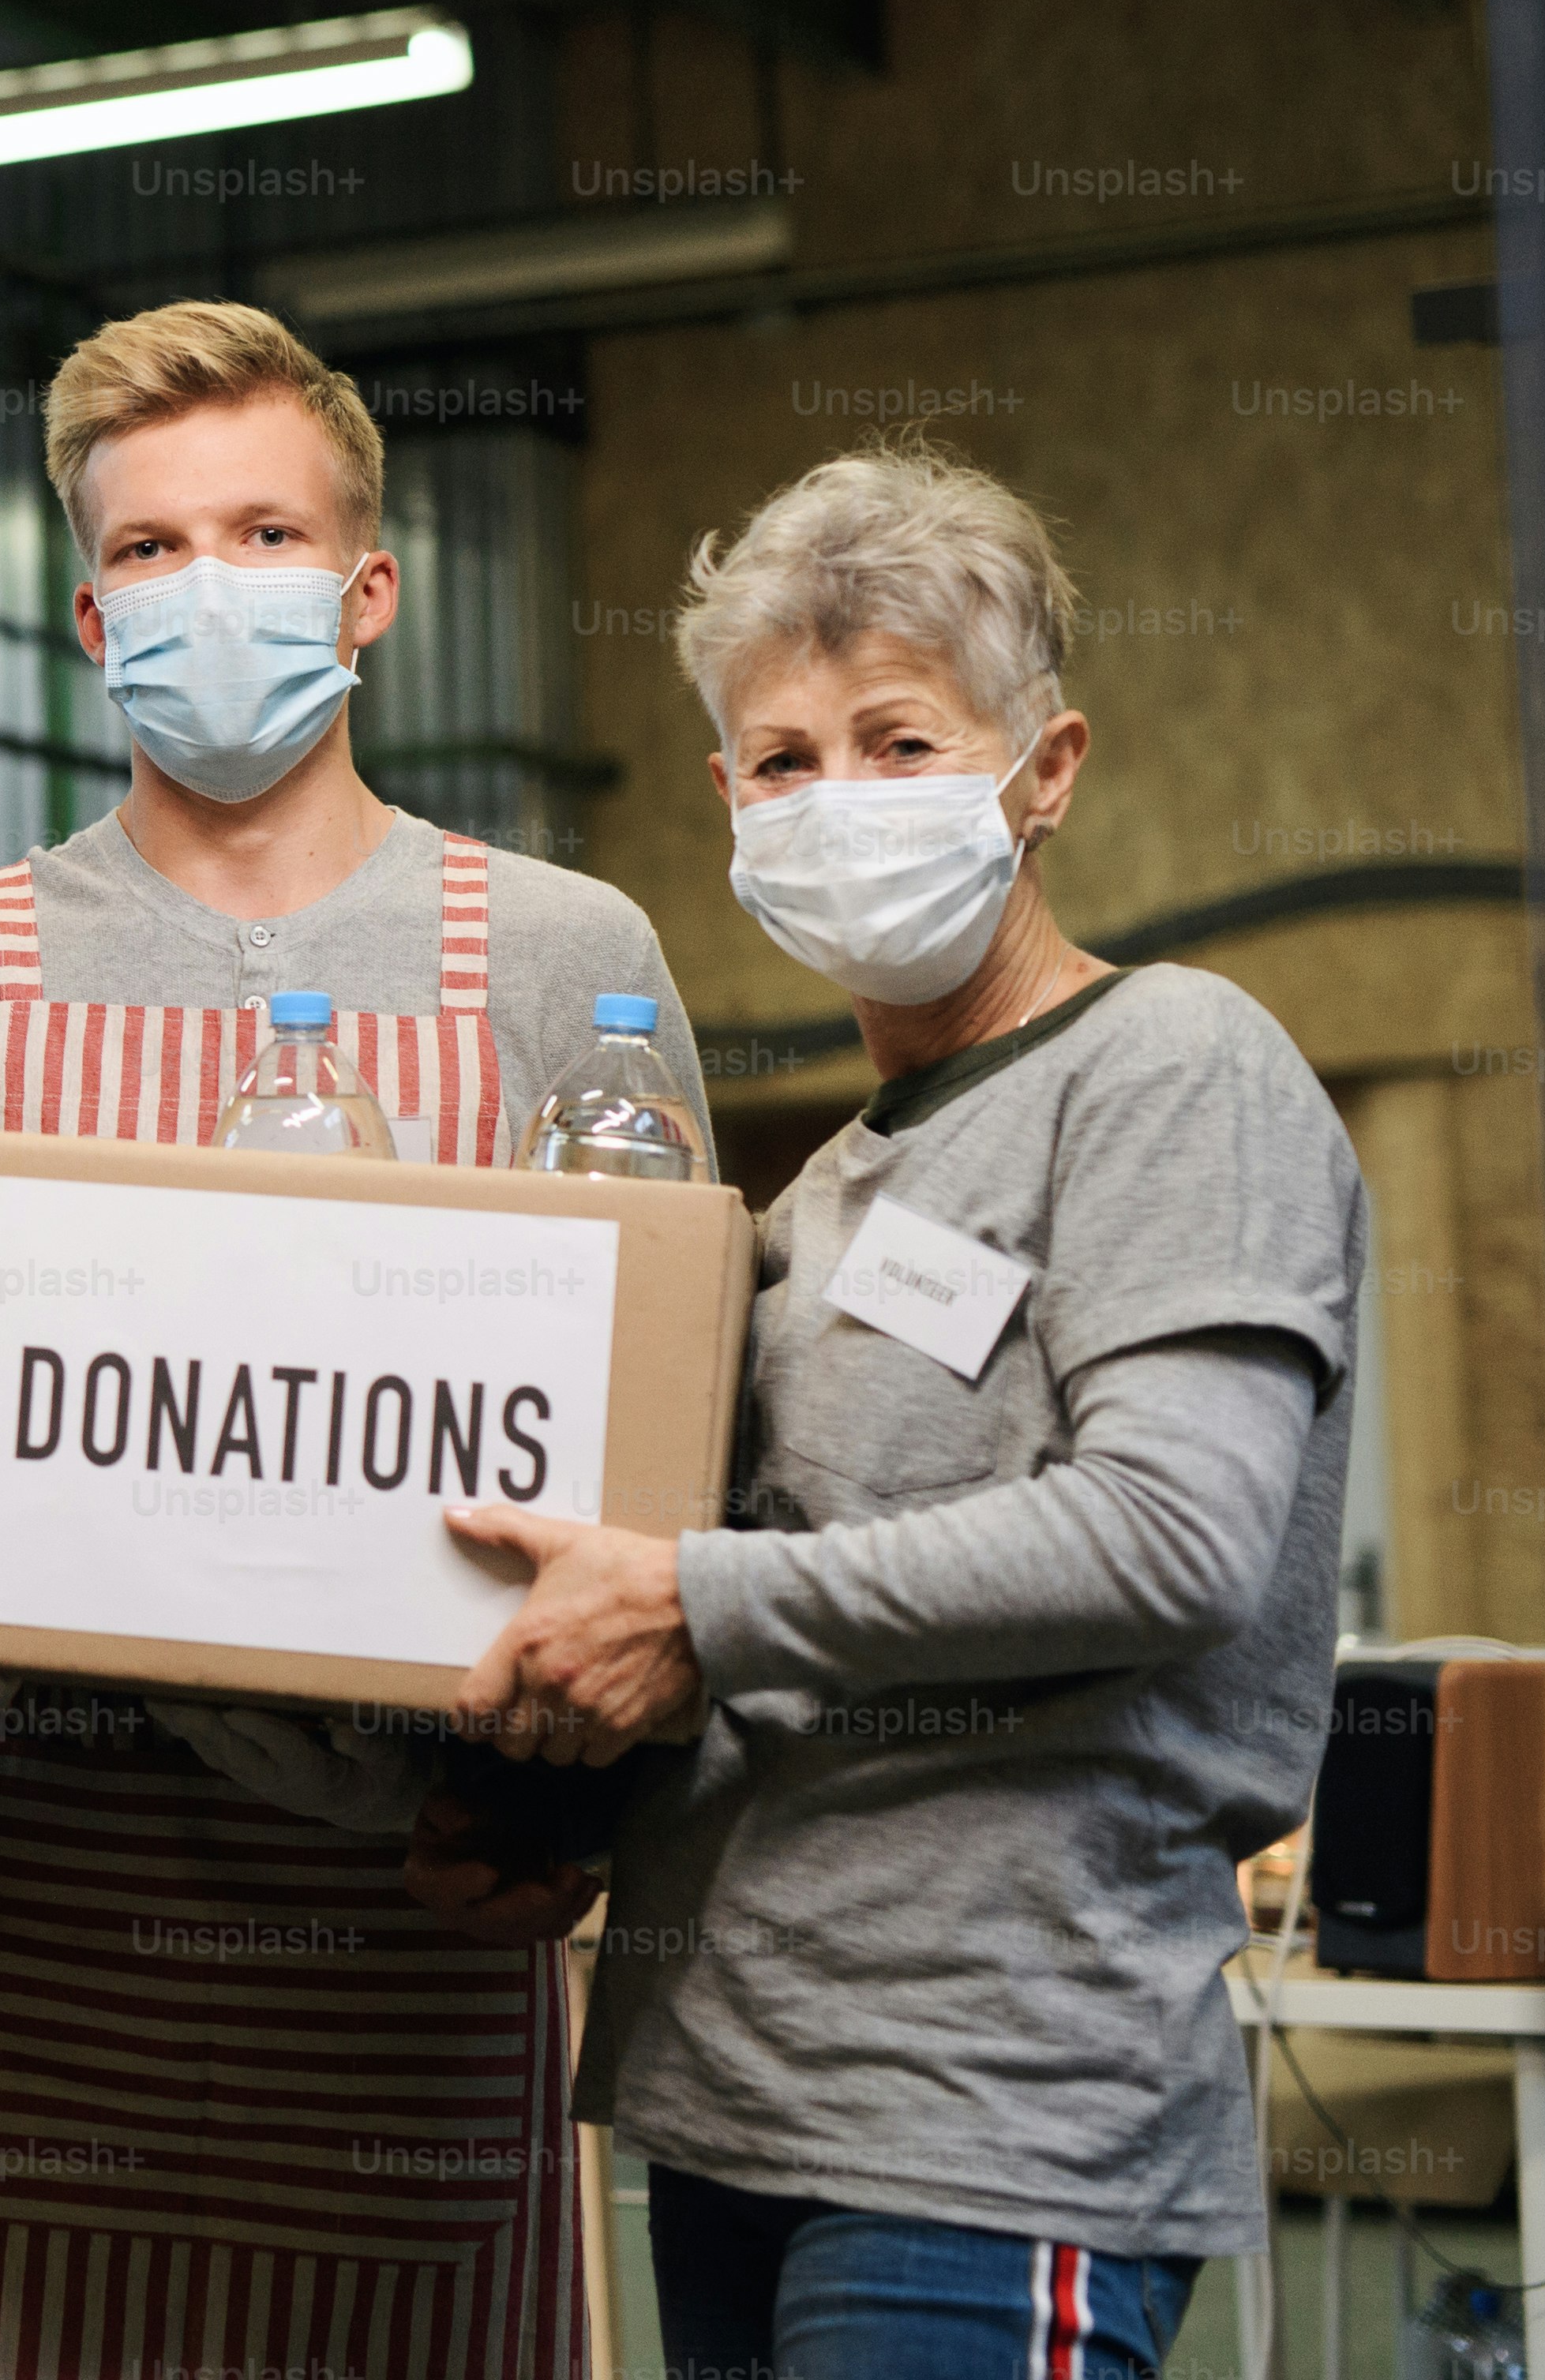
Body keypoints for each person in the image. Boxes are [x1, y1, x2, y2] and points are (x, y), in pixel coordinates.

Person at [0, 298, 711, 2378]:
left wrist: (561, 1818)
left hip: (417, 1966)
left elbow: (678, 1521)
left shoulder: (565, 960)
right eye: (152, 548)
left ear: (367, 590)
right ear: (91, 621)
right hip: (47, 1972)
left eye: (266, 537)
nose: (210, 587)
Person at [461, 440, 1362, 2379]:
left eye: (901, 742)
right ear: (725, 800)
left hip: (992, 2111)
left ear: (1045, 769)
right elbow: (789, 1616)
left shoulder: (1174, 1068)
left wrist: (683, 1601)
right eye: (784, 759)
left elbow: (1172, 1533)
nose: (839, 800)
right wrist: (557, 1787)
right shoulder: (818, 1203)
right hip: (732, 2093)